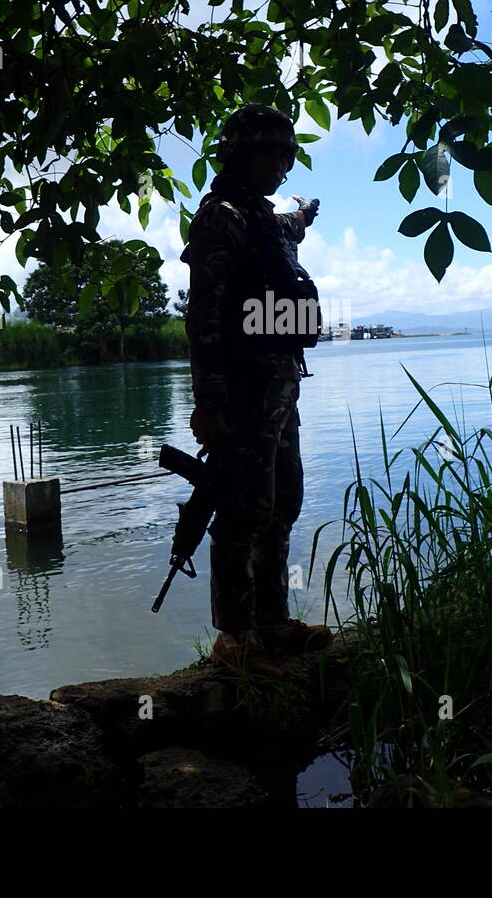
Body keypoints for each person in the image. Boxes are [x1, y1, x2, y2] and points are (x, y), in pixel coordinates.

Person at [179, 103, 333, 678]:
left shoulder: (267, 220)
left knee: (282, 501)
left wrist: (305, 215)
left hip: (280, 387)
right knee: (242, 507)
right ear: (240, 154)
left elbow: (290, 227)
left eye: (286, 155)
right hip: (241, 389)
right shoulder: (221, 218)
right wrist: (209, 402)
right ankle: (234, 638)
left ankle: (272, 622)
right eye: (269, 153)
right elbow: (206, 318)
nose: (280, 164)